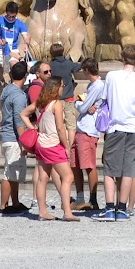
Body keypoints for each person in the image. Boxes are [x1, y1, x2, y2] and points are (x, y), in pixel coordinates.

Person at [97, 43, 135, 221]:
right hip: (134, 127)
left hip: (115, 126)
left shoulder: (112, 76)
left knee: (111, 169)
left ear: (122, 57)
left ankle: (110, 208)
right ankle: (122, 208)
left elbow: (104, 98)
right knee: (128, 170)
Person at [20, 72, 79, 221]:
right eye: (61, 86)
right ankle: (67, 211)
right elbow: (60, 127)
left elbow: (23, 114)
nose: (63, 88)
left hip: (41, 143)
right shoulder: (56, 104)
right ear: (56, 88)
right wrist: (66, 146)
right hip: (53, 143)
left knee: (43, 178)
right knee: (68, 176)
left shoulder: (40, 103)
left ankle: (42, 212)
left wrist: (32, 129)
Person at [0, 60, 31, 215]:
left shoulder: (6, 90)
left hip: (5, 135)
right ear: (25, 76)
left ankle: (15, 203)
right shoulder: (19, 96)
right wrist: (24, 144)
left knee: (13, 173)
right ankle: (3, 206)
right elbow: (19, 122)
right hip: (13, 138)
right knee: (9, 172)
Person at [72, 58, 104, 212]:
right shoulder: (92, 85)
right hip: (81, 128)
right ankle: (80, 198)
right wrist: (81, 103)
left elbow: (82, 106)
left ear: (86, 70)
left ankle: (93, 199)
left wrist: (78, 103)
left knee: (88, 165)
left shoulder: (98, 86)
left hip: (88, 130)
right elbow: (83, 102)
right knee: (76, 165)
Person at [0, 1, 29, 103]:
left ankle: (15, 95)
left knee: (15, 67)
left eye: (13, 17)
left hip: (12, 51)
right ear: (6, 13)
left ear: (16, 14)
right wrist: (0, 41)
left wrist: (26, 45)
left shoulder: (20, 24)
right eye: (9, 16)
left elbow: (26, 37)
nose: (11, 19)